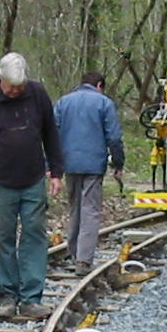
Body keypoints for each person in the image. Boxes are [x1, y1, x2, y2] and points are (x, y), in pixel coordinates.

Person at [0, 52, 63, 320]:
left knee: (34, 234)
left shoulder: (38, 95)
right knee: (2, 237)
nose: (16, 91)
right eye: (11, 86)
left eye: (21, 86)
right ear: (0, 79)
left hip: (32, 179)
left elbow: (51, 133)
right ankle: (8, 294)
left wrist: (56, 171)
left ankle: (32, 297)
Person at [54, 71, 124, 276]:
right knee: (90, 210)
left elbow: (52, 134)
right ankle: (84, 261)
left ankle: (74, 252)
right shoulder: (104, 103)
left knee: (75, 207)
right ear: (100, 84)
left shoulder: (63, 102)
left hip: (68, 163)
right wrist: (118, 163)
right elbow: (114, 137)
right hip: (93, 164)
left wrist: (53, 165)